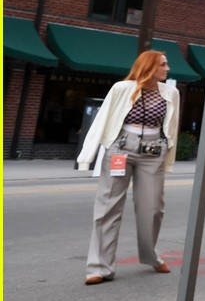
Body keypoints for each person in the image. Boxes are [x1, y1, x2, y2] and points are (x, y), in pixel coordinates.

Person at [77, 50, 180, 285]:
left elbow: (171, 127)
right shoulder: (121, 89)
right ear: (149, 66)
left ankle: (150, 255)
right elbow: (102, 119)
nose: (167, 68)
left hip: (153, 151)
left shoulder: (171, 93)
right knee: (108, 207)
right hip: (121, 149)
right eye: (163, 64)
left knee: (153, 208)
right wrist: (87, 156)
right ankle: (99, 267)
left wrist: (168, 157)